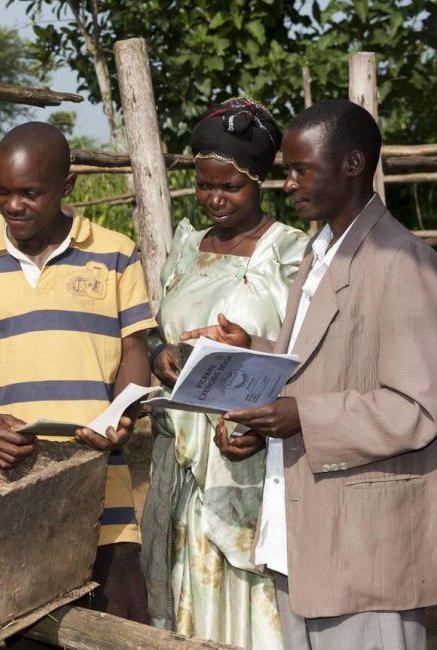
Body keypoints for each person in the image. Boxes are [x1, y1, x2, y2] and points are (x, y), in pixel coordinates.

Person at [184, 99, 437, 650]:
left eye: (301, 169)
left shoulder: (402, 263)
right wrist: (251, 349)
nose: (289, 184)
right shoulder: (322, 251)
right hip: (305, 537)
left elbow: (416, 409)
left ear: (351, 164)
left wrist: (300, 417)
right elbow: (324, 361)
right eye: (286, 172)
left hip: (364, 556)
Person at [0, 121, 158, 622]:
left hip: (102, 478)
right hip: (15, 482)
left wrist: (121, 414)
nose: (13, 205)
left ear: (67, 186)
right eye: (2, 191)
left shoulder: (115, 253)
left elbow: (134, 351)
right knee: (22, 629)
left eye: (30, 193)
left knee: (119, 622)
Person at [140, 98, 307, 649]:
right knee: (188, 600)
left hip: (254, 463)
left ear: (260, 182)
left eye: (229, 188)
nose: (214, 199)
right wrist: (162, 353)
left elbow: (312, 355)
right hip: (187, 467)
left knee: (256, 607)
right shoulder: (186, 250)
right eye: (203, 184)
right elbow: (165, 329)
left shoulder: (290, 254)